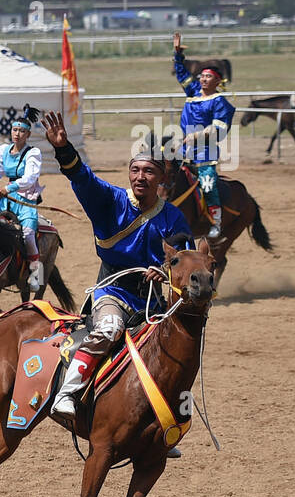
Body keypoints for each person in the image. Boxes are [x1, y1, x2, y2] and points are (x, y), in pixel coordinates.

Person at [38, 111, 193, 432]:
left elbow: (186, 260)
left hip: (152, 302)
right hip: (113, 290)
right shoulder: (110, 201)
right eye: (135, 170)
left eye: (148, 171)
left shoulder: (174, 218)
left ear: (161, 178)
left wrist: (165, 273)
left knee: (170, 352)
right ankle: (67, 394)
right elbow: (82, 177)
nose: (140, 177)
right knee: (109, 330)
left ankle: (159, 425)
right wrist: (63, 148)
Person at [172, 31, 234, 238]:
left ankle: (215, 223)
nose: (203, 79)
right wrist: (177, 54)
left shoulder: (220, 102)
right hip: (185, 149)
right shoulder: (193, 94)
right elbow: (181, 74)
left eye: (208, 77)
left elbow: (219, 129)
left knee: (208, 185)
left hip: (206, 154)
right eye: (202, 76)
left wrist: (195, 136)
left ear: (217, 81)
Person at [0, 115, 45, 295]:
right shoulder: (3, 151)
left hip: (25, 199)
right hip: (6, 198)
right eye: (15, 130)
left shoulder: (33, 153)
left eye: (22, 131)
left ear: (28, 134)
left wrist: (9, 187)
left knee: (28, 234)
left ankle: (36, 274)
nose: (17, 134)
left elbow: (30, 178)